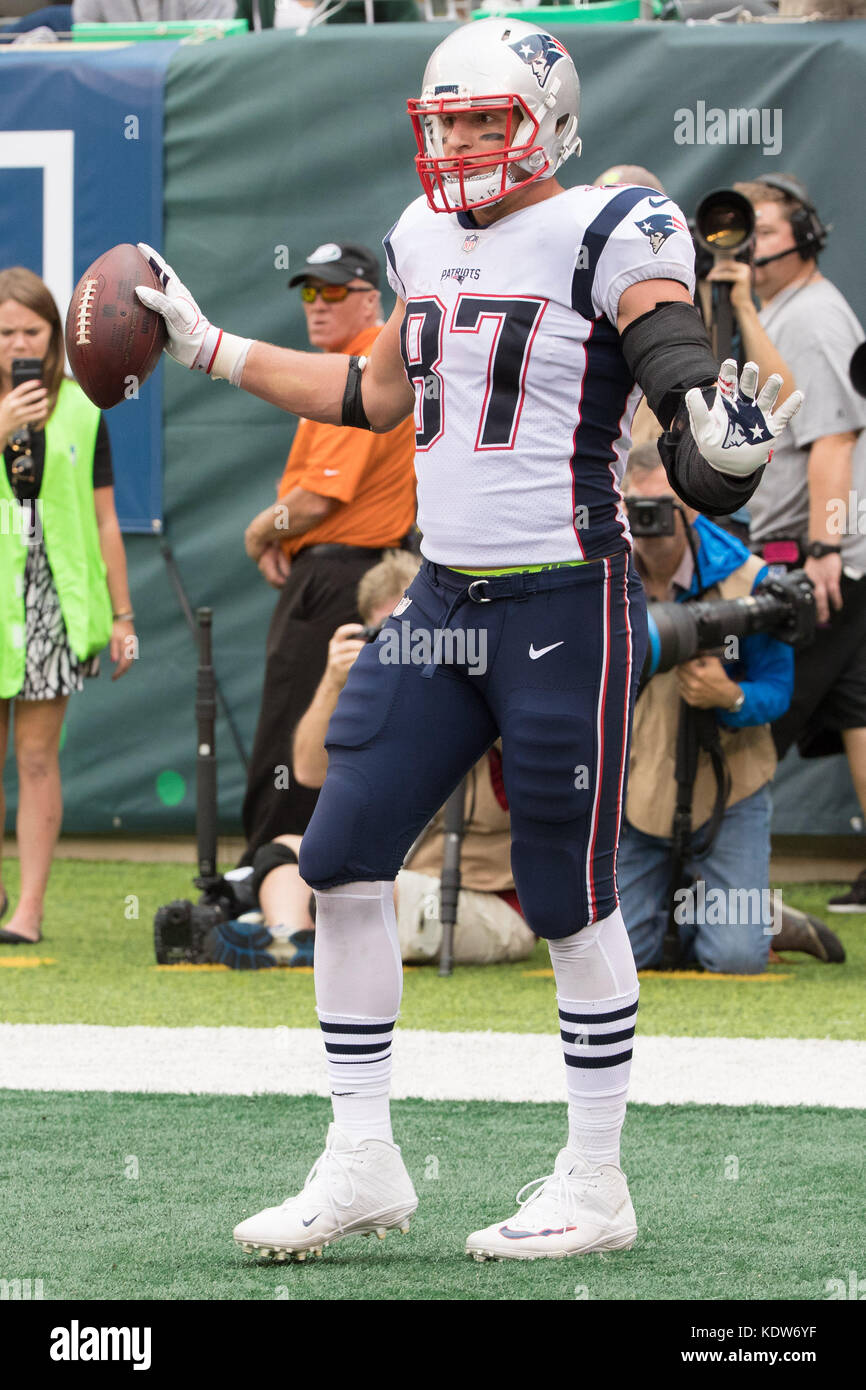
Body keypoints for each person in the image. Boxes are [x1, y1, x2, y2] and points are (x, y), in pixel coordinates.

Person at [136, 18, 801, 1264]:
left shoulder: (611, 227)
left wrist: (702, 420)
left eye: (485, 121)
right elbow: (373, 393)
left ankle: (595, 1179)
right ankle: (361, 1158)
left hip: (564, 603)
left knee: (565, 895)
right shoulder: (419, 233)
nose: (459, 146)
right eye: (444, 124)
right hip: (441, 601)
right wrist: (208, 346)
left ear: (548, 123)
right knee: (336, 857)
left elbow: (668, 355)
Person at [619, 444, 843, 971]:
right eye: (635, 509)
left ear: (692, 506)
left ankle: (751, 917)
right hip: (635, 786)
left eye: (662, 508)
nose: (648, 524)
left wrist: (732, 697)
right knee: (627, 956)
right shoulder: (603, 574)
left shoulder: (751, 579)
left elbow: (778, 690)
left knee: (735, 958)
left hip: (728, 785)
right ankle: (713, 904)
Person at [238, 242, 415, 864]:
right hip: (356, 572)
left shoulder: (365, 362)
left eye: (334, 290)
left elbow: (317, 498)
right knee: (326, 729)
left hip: (343, 575)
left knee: (297, 730)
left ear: (370, 298)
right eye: (310, 292)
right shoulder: (354, 362)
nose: (317, 303)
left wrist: (260, 533)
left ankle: (270, 872)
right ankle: (294, 870)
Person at [732, 177, 866, 912]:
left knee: (759, 721)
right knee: (857, 710)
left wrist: (823, 549)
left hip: (818, 556)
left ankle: (711, 873)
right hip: (832, 553)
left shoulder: (811, 318)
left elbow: (835, 441)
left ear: (805, 237)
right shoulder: (777, 310)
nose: (746, 245)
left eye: (762, 231)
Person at [0, 268, 135, 943]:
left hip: (53, 597)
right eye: (4, 333)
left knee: (35, 757)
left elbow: (106, 518)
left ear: (54, 336)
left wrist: (123, 616)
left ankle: (29, 909)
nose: (18, 344)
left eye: (31, 330)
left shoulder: (83, 406)